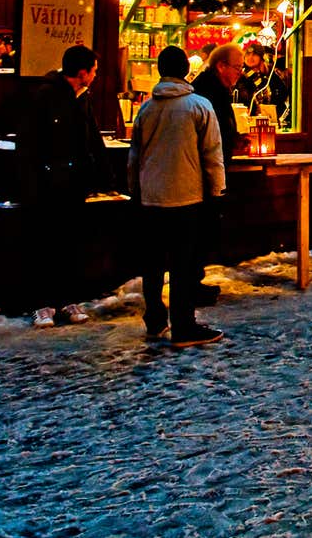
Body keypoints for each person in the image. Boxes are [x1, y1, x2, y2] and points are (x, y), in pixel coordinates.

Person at [128, 46, 226, 347]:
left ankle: (155, 320)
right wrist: (217, 190)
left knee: (153, 262)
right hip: (186, 195)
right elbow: (212, 154)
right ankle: (184, 326)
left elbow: (135, 156)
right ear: (186, 71)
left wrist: (135, 189)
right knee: (183, 263)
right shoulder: (199, 106)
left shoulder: (147, 108)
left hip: (151, 196)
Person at [19, 44, 110, 328]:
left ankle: (68, 300)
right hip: (47, 184)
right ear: (82, 73)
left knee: (71, 243)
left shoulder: (82, 97)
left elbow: (91, 139)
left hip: (73, 184)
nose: (95, 76)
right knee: (45, 244)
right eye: (93, 71)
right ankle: (42, 304)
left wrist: (100, 176)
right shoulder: (45, 96)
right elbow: (30, 144)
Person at [188, 42, 246, 307]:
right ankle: (190, 286)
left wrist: (235, 139)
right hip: (203, 171)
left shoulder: (215, 89)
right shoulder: (208, 92)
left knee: (203, 228)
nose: (240, 72)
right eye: (237, 67)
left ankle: (193, 282)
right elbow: (211, 135)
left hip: (210, 167)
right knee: (199, 228)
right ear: (221, 66)